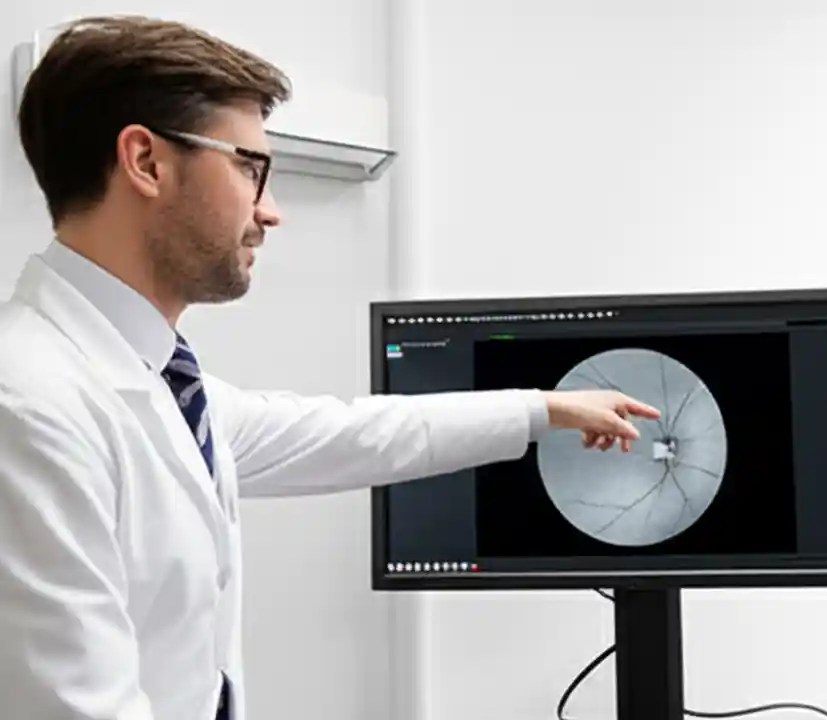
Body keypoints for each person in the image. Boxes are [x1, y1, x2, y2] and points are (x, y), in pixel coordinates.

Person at [0, 15, 659, 720]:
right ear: (146, 162)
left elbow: (348, 433)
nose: (271, 212)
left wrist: (543, 410)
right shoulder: (30, 407)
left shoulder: (157, 385)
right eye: (251, 168)